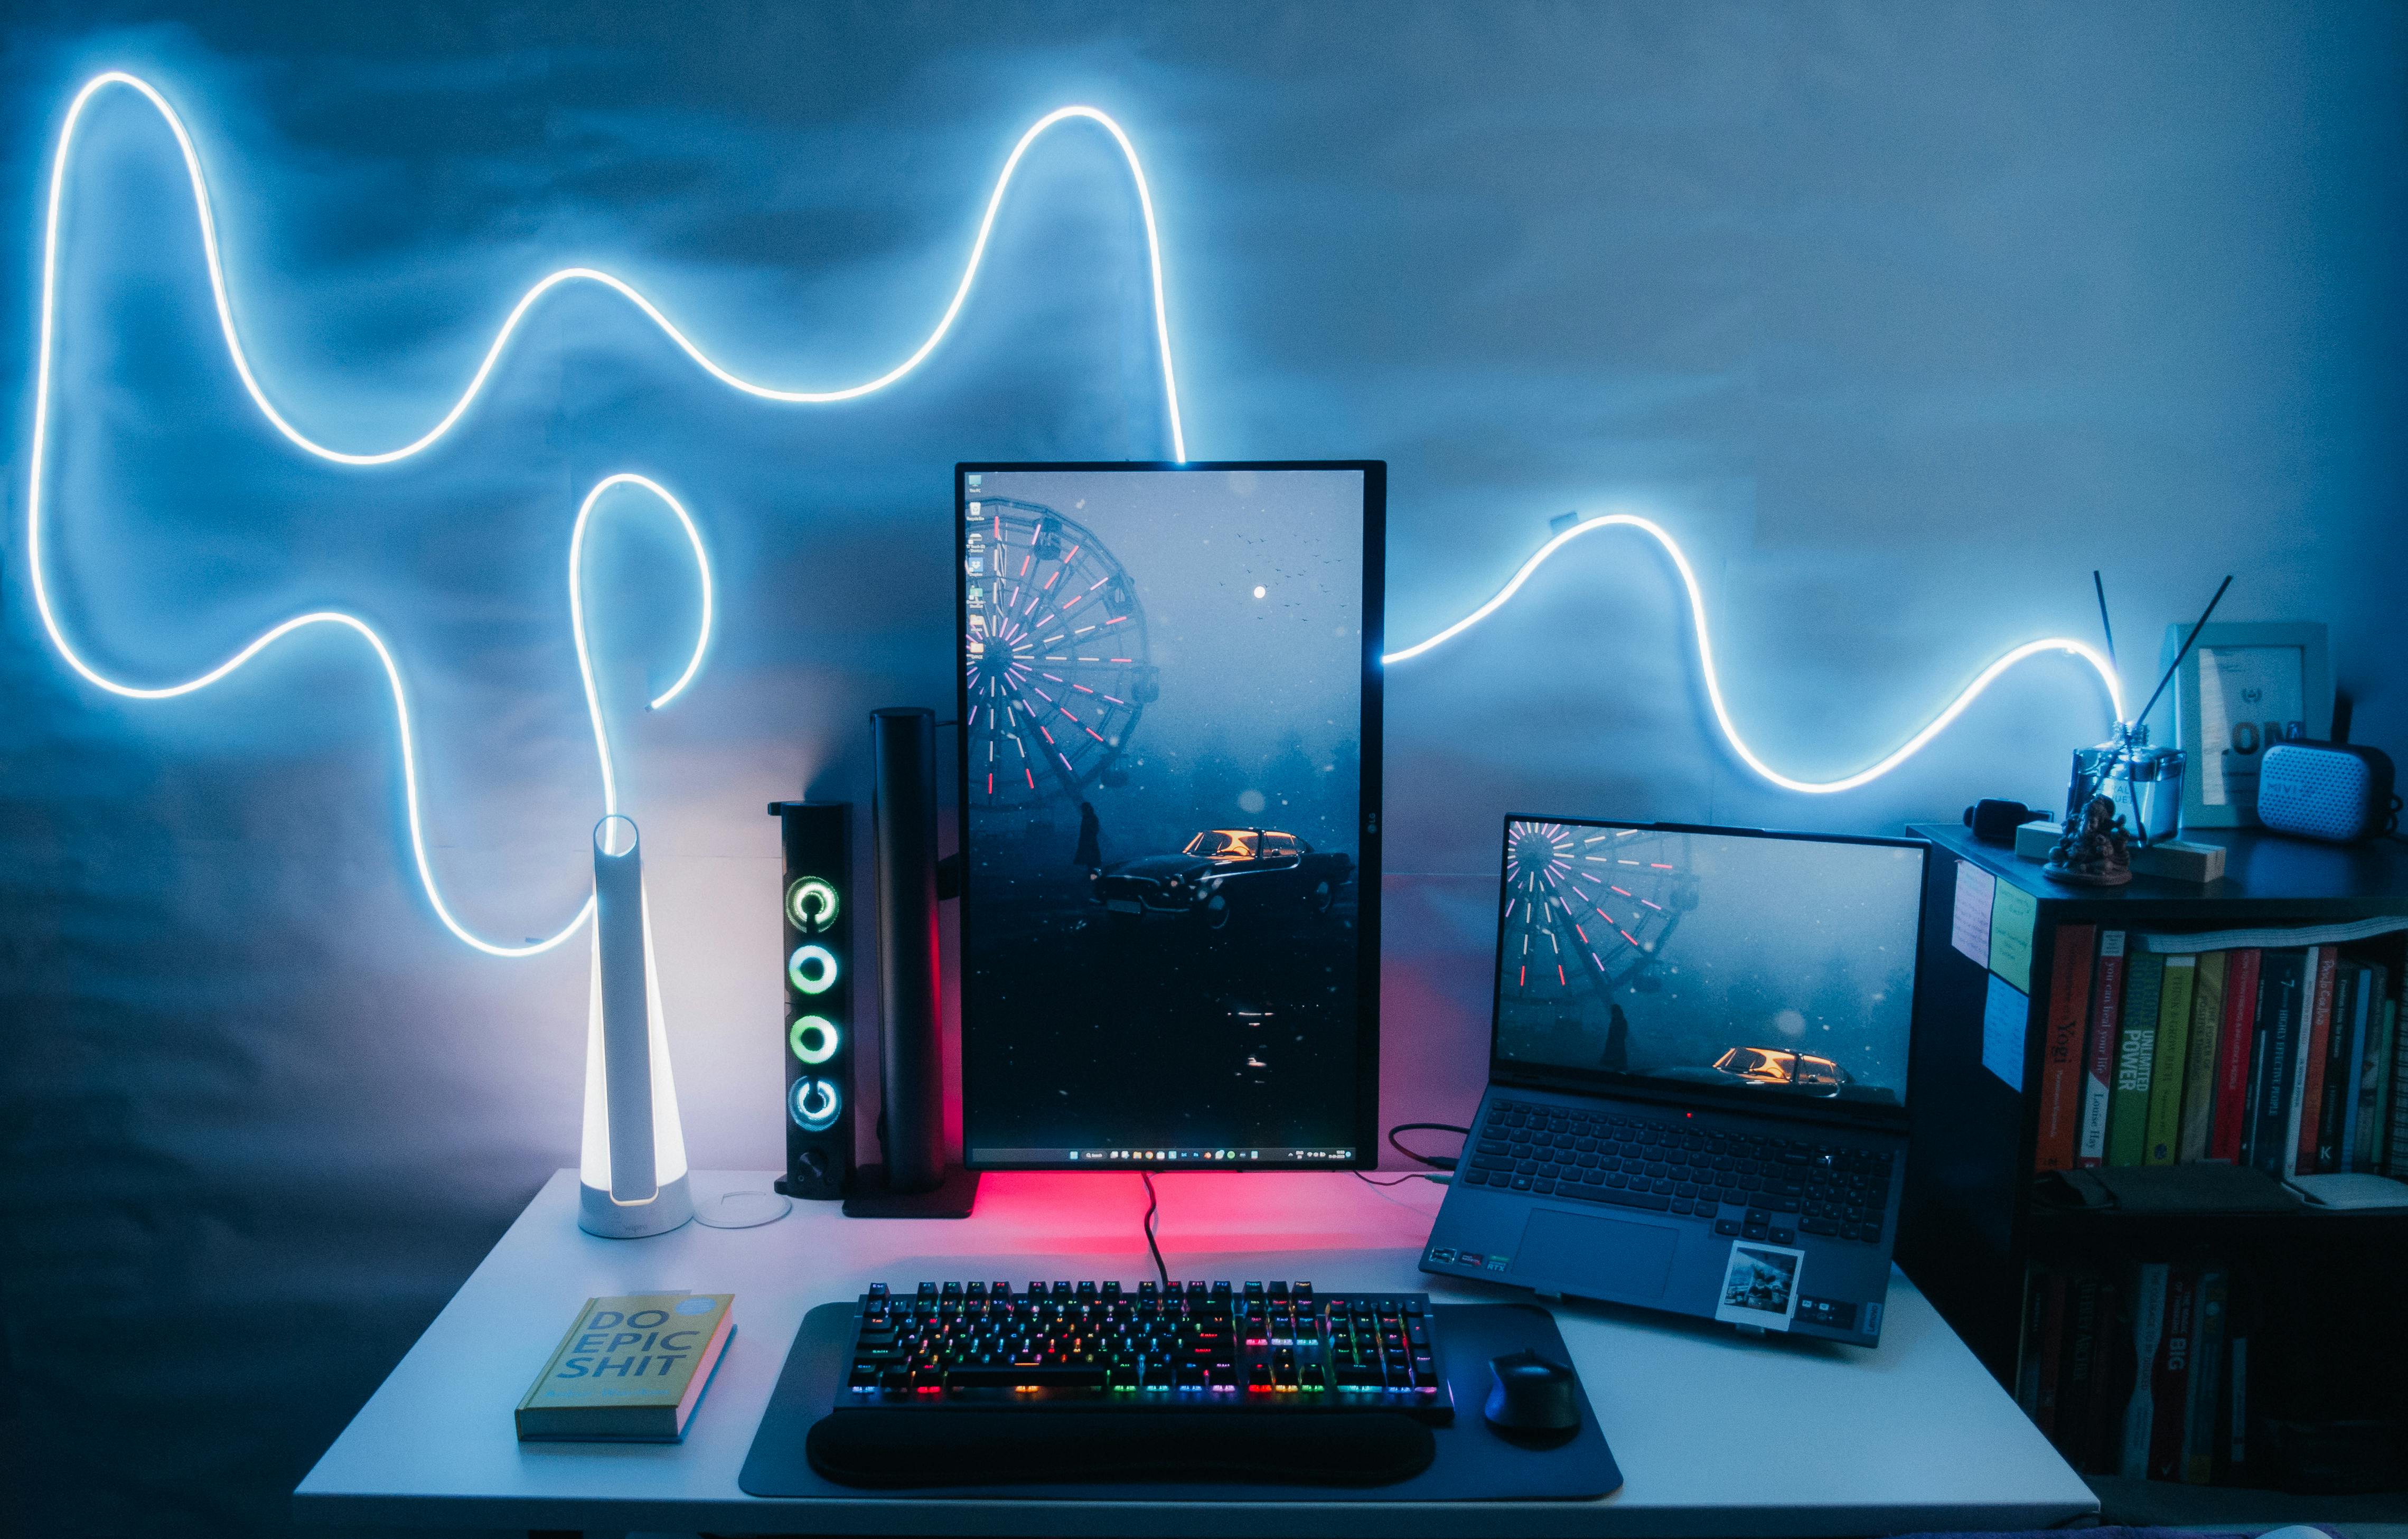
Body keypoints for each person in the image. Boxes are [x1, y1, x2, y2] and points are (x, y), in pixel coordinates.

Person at [1073, 801, 1101, 872]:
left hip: (1089, 841)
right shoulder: (1087, 817)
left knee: (1091, 857)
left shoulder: (1090, 818)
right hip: (1087, 841)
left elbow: (1095, 830)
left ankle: (1093, 874)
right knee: (1090, 858)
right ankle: (1092, 873)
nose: (1082, 810)